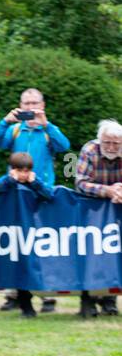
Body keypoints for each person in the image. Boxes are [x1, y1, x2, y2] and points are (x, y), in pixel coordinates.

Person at [0, 152, 54, 319]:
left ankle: (37, 304)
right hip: (13, 234)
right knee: (19, 269)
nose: (23, 175)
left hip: (32, 232)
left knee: (30, 268)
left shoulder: (34, 182)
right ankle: (25, 306)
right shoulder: (8, 181)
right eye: (20, 171)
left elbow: (49, 194)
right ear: (12, 170)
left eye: (27, 171)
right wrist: (10, 180)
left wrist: (35, 183)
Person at [71, 120, 122, 316]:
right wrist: (107, 191)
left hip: (118, 209)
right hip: (90, 210)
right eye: (107, 142)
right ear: (100, 140)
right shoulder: (89, 150)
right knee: (90, 254)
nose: (110, 147)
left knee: (115, 254)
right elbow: (81, 183)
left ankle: (110, 300)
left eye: (116, 144)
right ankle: (88, 300)